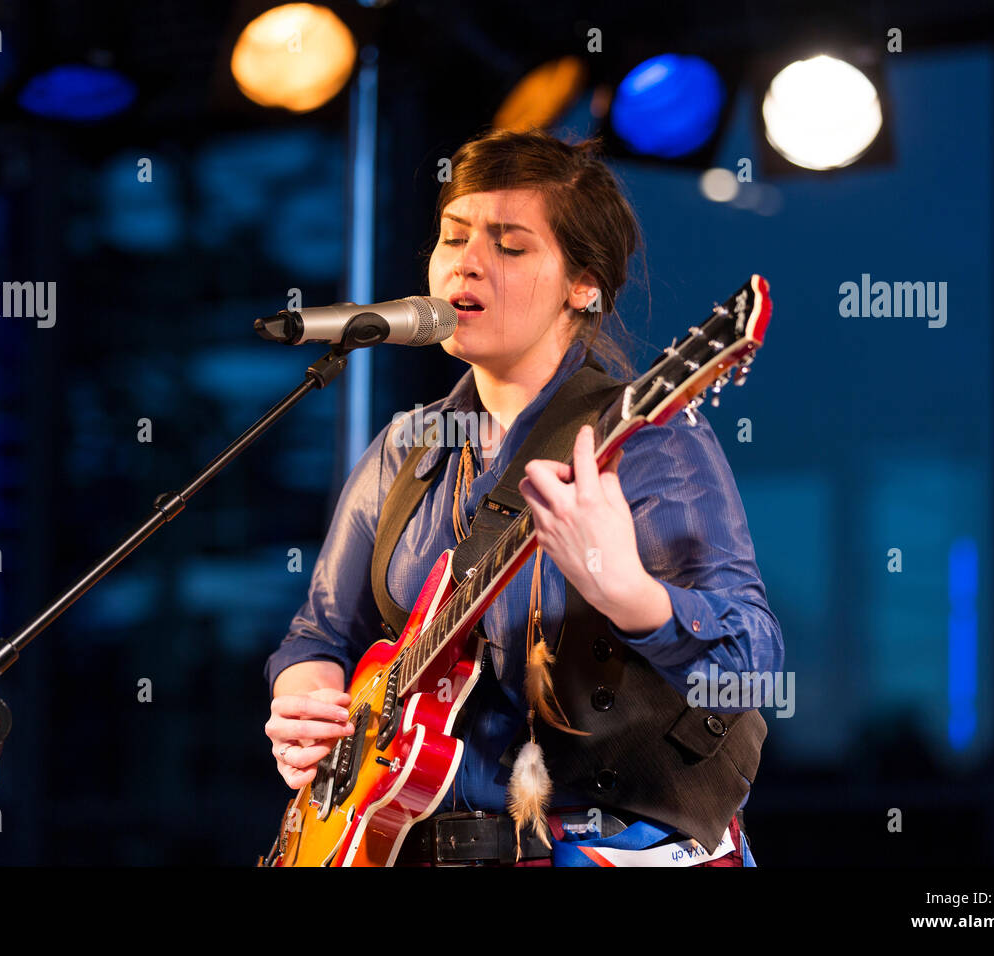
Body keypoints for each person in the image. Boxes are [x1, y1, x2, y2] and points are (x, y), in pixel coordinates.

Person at [263, 127, 783, 866]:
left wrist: (632, 594)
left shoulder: (650, 441)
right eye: (453, 238)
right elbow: (320, 637)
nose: (466, 264)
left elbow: (754, 662)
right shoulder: (406, 448)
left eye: (509, 246)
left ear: (584, 284)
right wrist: (306, 703)